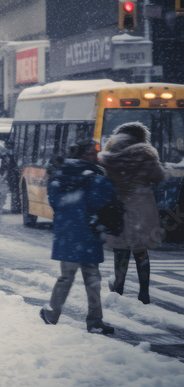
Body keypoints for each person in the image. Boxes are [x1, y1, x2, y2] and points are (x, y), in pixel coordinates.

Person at [39, 140, 117, 334]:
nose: (96, 156)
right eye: (93, 152)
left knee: (67, 277)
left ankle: (52, 313)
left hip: (68, 233)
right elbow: (106, 201)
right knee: (92, 278)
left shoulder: (61, 174)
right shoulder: (95, 176)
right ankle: (95, 320)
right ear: (83, 154)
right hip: (89, 232)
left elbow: (55, 201)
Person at [100, 122, 165, 304]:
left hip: (118, 208)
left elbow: (105, 179)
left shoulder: (110, 156)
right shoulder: (146, 155)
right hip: (142, 207)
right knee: (140, 250)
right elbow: (158, 176)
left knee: (121, 250)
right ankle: (144, 292)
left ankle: (118, 287)